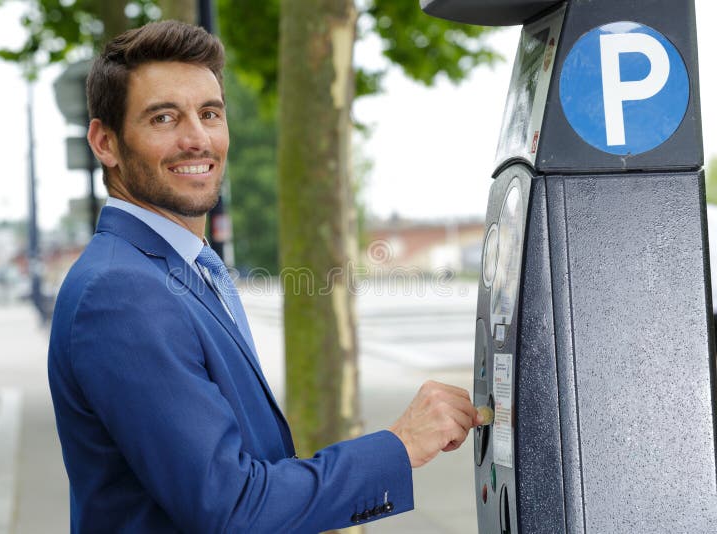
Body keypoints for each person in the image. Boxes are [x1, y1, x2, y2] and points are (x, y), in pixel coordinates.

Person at [48, 20, 483, 533]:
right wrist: (400, 446)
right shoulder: (121, 292)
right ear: (106, 142)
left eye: (210, 114)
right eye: (164, 117)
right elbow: (232, 508)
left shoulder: (176, 268)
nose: (197, 139)